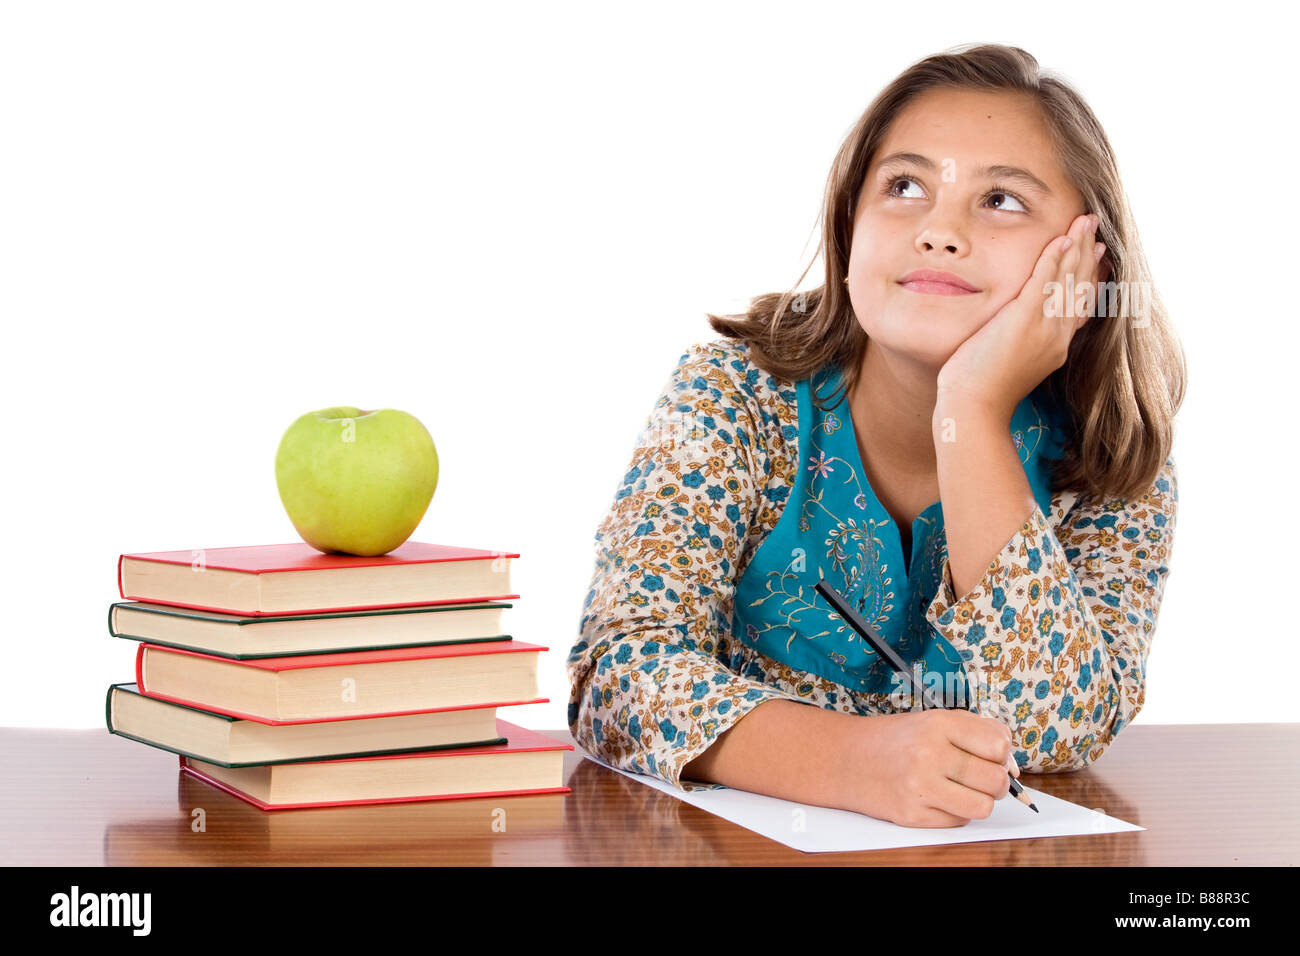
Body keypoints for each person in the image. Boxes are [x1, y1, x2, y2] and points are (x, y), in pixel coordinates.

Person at [566, 43, 1184, 829]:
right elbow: (615, 675)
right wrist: (852, 762)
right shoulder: (733, 399)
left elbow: (1061, 731)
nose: (939, 230)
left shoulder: (1112, 461)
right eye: (904, 186)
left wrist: (971, 406)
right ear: (848, 225)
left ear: (1089, 266)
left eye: (1000, 200)